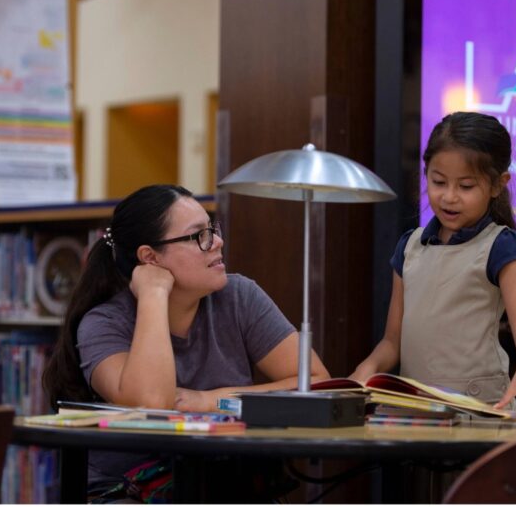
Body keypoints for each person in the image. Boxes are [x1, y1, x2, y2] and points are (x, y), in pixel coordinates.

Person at [42, 184, 329, 502]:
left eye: (212, 230)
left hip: (224, 483)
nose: (217, 242)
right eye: (198, 236)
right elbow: (152, 404)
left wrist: (209, 401)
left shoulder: (239, 297)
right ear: (150, 258)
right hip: (130, 490)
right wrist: (153, 294)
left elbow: (316, 384)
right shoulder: (104, 322)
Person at [351, 111, 516, 416]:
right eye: (438, 182)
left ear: (498, 185)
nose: (449, 196)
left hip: (480, 412)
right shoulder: (409, 247)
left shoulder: (500, 245)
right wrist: (367, 368)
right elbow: (392, 341)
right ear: (426, 174)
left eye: (466, 186)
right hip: (417, 410)